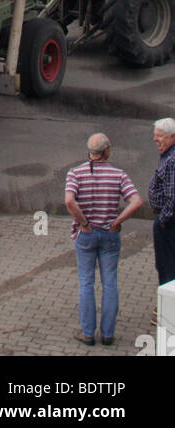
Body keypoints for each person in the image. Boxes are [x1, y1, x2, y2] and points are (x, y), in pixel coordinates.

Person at [64, 133, 142, 346]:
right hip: (110, 235)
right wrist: (117, 222)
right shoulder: (118, 175)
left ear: (90, 152)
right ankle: (107, 334)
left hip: (86, 236)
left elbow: (69, 200)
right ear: (106, 151)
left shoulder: (75, 174)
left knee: (86, 283)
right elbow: (136, 201)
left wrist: (84, 223)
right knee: (110, 283)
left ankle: (87, 333)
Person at [149, 117, 175, 287]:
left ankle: (168, 308)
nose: (155, 139)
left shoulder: (172, 161)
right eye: (155, 135)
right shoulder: (169, 156)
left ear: (173, 137)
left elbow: (173, 196)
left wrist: (163, 220)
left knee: (167, 266)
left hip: (169, 223)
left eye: (160, 136)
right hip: (167, 221)